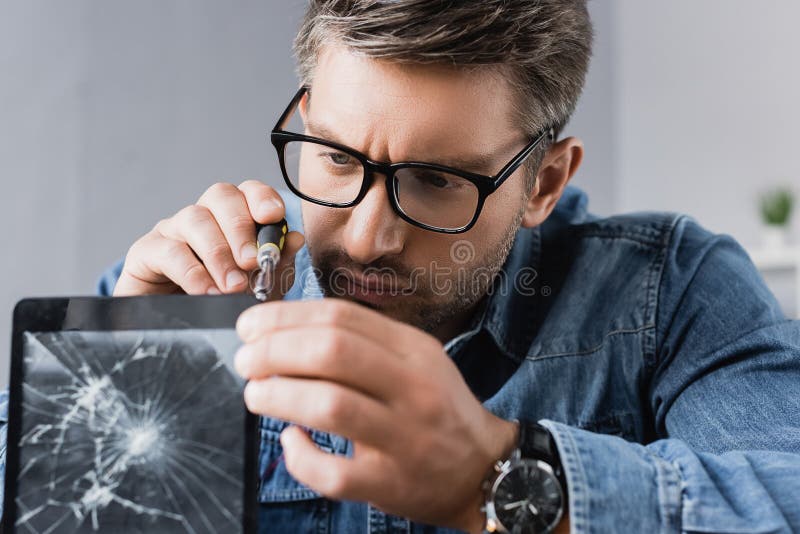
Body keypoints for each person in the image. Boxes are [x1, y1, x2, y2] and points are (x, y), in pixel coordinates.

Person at [3, 1, 800, 532]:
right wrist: (115, 378)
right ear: (304, 121)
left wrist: (498, 476)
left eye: (438, 180)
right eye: (337, 160)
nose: (366, 237)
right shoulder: (188, 287)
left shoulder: (673, 292)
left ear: (543, 182)